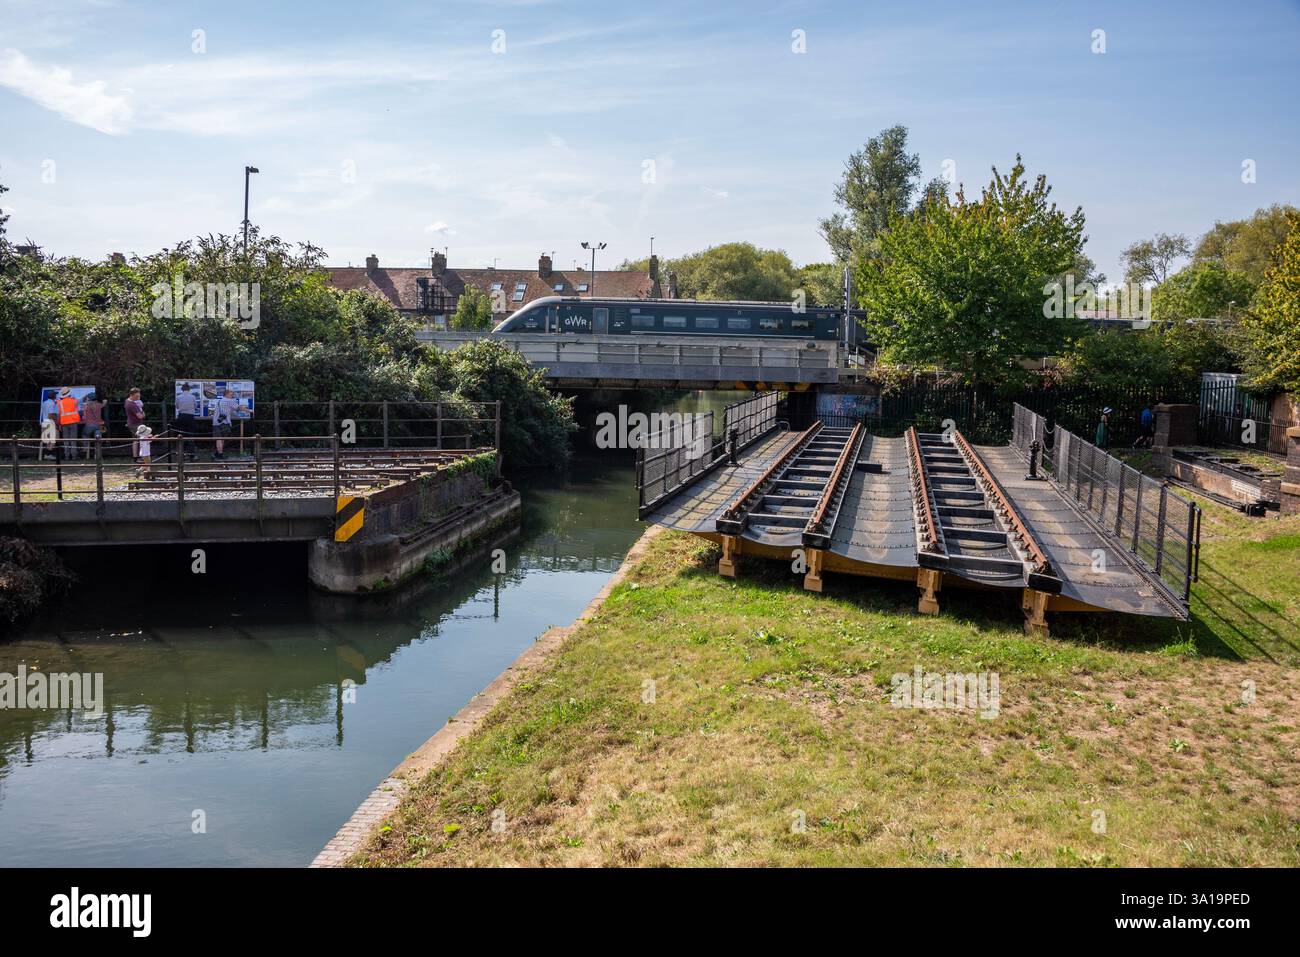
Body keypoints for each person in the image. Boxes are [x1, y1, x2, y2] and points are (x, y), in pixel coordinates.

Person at [173, 383, 199, 459]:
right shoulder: (193, 397)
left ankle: (182, 454)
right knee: (191, 435)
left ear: (182, 389)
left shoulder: (178, 397)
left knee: (181, 435)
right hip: (190, 417)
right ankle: (192, 455)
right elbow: (195, 406)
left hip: (181, 417)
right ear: (189, 389)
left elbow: (177, 407)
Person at [56, 385, 82, 460]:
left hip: (64, 423)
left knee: (66, 440)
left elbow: (59, 414)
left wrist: (59, 424)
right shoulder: (75, 401)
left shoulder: (59, 403)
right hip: (73, 422)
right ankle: (74, 456)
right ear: (69, 393)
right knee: (73, 440)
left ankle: (67, 456)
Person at [211, 388, 238, 459]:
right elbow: (238, 408)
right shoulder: (229, 400)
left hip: (216, 422)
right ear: (227, 394)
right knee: (221, 439)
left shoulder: (219, 401)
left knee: (219, 438)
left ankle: (218, 453)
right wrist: (249, 410)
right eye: (231, 394)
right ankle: (220, 454)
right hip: (224, 422)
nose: (232, 395)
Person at [80, 392, 105, 458]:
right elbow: (105, 401)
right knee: (98, 439)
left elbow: (82, 401)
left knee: (84, 434)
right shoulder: (99, 405)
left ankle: (85, 448)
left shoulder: (86, 405)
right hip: (98, 426)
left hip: (89, 426)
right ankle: (97, 455)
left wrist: (86, 397)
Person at [124, 388, 146, 458]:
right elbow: (140, 416)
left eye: (139, 396)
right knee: (141, 440)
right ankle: (141, 456)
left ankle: (135, 456)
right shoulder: (132, 404)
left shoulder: (127, 401)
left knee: (135, 440)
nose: (138, 398)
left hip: (131, 423)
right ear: (131, 395)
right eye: (136, 396)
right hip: (136, 424)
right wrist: (142, 411)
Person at [39, 389, 58, 461]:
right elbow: (51, 414)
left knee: (47, 440)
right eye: (55, 395)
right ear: (54, 396)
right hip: (50, 422)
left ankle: (46, 455)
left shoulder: (44, 403)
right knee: (53, 440)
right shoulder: (52, 404)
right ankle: (49, 454)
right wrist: (55, 423)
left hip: (44, 421)